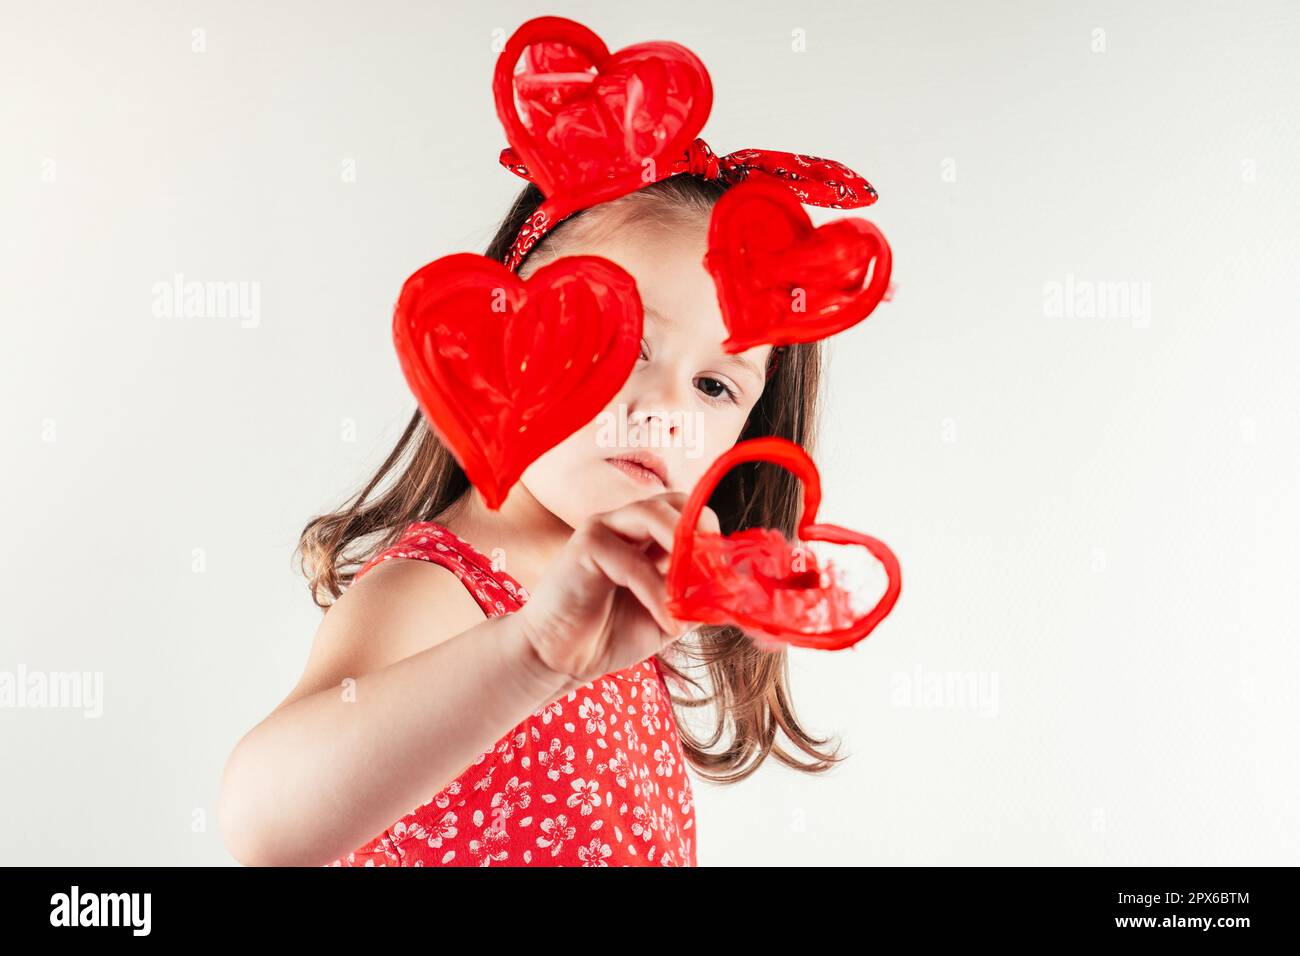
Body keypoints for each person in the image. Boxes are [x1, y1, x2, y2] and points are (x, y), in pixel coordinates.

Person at [217, 169, 842, 867]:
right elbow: (261, 825)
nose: (665, 410)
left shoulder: (624, 614)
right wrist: (532, 656)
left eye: (714, 386)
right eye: (622, 339)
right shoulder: (439, 590)